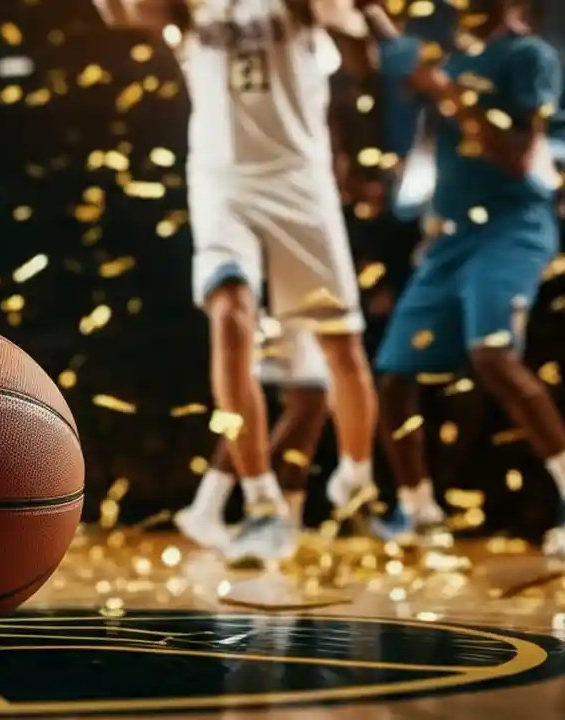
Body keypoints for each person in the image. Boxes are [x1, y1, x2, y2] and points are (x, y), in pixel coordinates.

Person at [95, 0, 380, 562]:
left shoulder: (297, 7)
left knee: (340, 347)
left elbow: (364, 54)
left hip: (302, 184)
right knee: (230, 315)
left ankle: (356, 479)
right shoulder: (189, 7)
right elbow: (118, 13)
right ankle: (261, 501)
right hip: (223, 185)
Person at [365, 0, 565, 554]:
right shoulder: (451, 59)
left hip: (513, 227)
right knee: (395, 377)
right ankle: (419, 514)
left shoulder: (530, 57)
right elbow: (406, 72)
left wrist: (446, 93)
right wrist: (376, 18)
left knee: (492, 356)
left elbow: (519, 158)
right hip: (449, 239)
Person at [176, 324, 329, 551]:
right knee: (306, 391)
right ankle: (263, 513)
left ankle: (211, 507)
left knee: (308, 394)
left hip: (293, 302)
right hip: (280, 301)